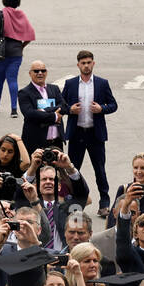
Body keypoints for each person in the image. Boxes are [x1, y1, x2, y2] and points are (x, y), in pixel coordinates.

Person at [61, 50, 118, 216]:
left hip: (95, 134)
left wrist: (102, 109)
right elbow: (61, 105)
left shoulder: (101, 83)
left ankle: (104, 203)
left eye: (89, 62)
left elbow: (113, 105)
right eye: (83, 63)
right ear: (78, 65)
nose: (86, 66)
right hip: (77, 133)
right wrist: (70, 110)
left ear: (93, 63)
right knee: (72, 169)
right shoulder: (70, 83)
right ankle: (71, 202)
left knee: (99, 169)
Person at [0, 0, 35, 118]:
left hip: (0, 52)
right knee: (13, 80)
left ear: (4, 1)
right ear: (17, 3)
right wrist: (21, 47)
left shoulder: (1, 13)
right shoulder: (21, 15)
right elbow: (30, 34)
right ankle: (14, 109)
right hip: (16, 53)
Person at [18, 60, 66, 154]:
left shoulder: (54, 89)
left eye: (43, 71)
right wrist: (54, 116)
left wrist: (44, 111)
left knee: (56, 168)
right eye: (36, 71)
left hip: (56, 142)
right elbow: (30, 114)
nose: (40, 73)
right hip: (36, 143)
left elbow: (63, 107)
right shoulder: (24, 93)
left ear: (46, 72)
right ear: (30, 73)